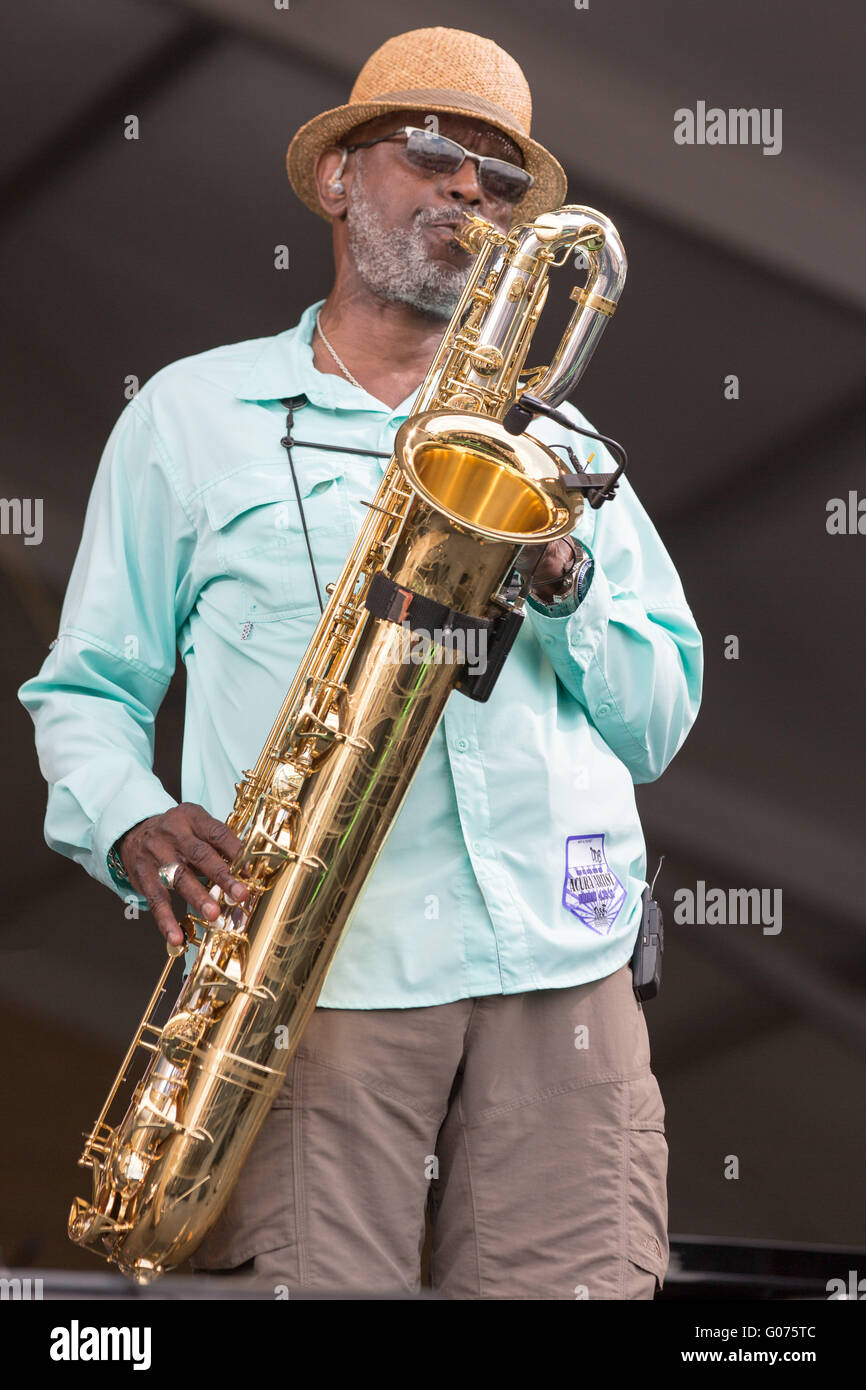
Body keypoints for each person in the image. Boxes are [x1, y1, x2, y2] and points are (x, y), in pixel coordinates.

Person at [18, 27, 702, 1299]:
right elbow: (86, 692)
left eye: (501, 184)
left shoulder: (563, 441)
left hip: (563, 976)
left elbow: (658, 719)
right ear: (336, 177)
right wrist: (130, 820)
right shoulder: (188, 414)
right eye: (435, 153)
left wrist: (561, 574)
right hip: (313, 978)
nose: (468, 196)